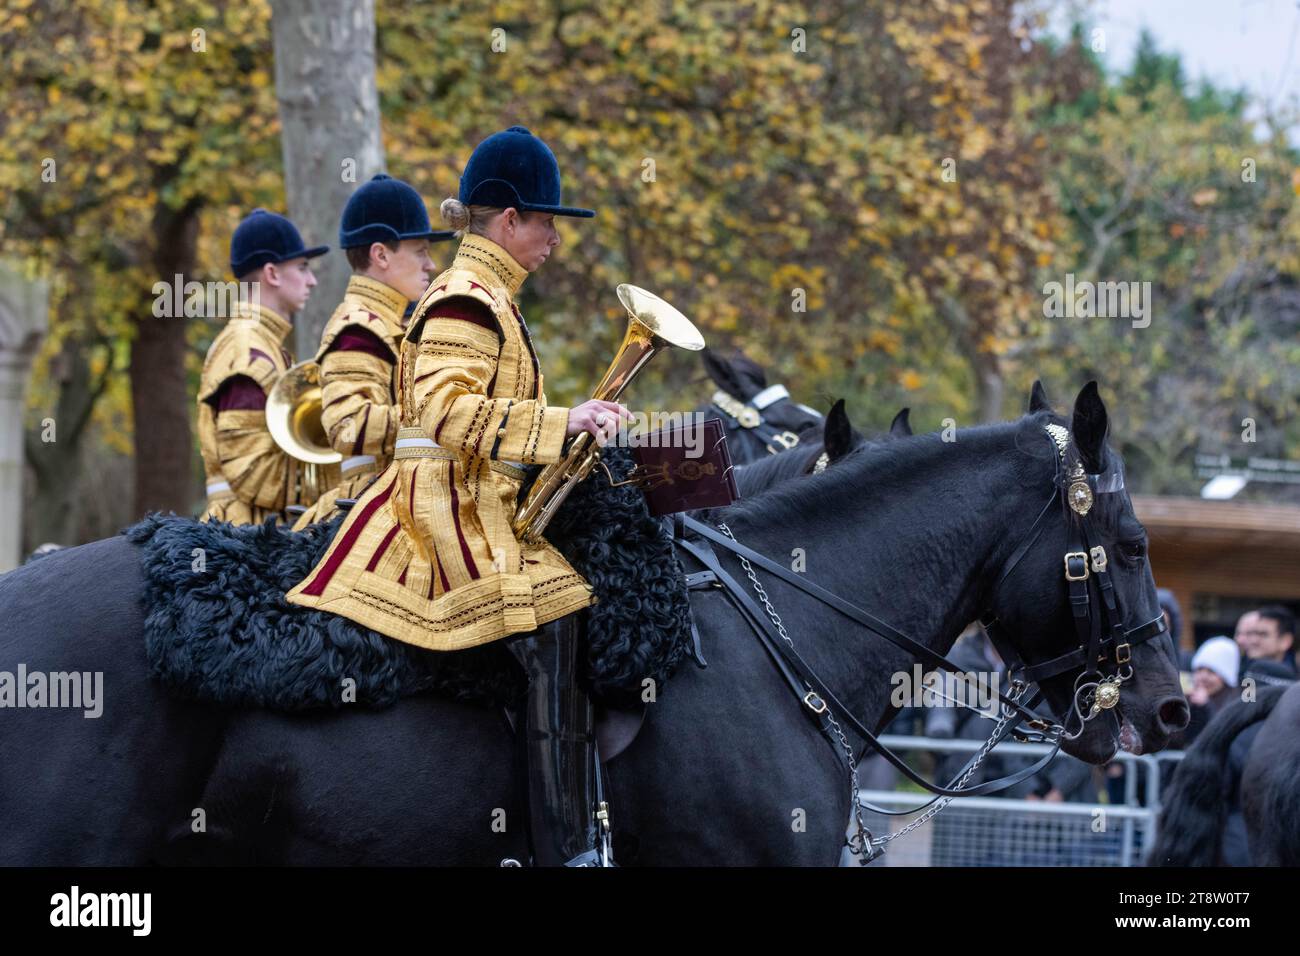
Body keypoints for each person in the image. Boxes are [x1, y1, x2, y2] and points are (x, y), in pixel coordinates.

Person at [286, 127, 631, 866]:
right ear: (508, 220)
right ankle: (564, 846)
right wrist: (563, 420)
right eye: (546, 222)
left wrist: (576, 429)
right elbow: (443, 411)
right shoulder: (469, 297)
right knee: (555, 622)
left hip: (472, 496)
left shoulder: (485, 294)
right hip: (442, 509)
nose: (553, 239)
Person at [291, 174, 456, 529]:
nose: (430, 264)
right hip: (366, 507)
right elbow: (347, 425)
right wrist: (445, 415)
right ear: (380, 254)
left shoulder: (385, 320)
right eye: (420, 251)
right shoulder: (359, 328)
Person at [197, 209, 329, 524]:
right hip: (247, 533)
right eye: (302, 268)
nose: (311, 281)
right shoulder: (249, 350)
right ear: (272, 274)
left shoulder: (261, 342)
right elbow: (250, 469)